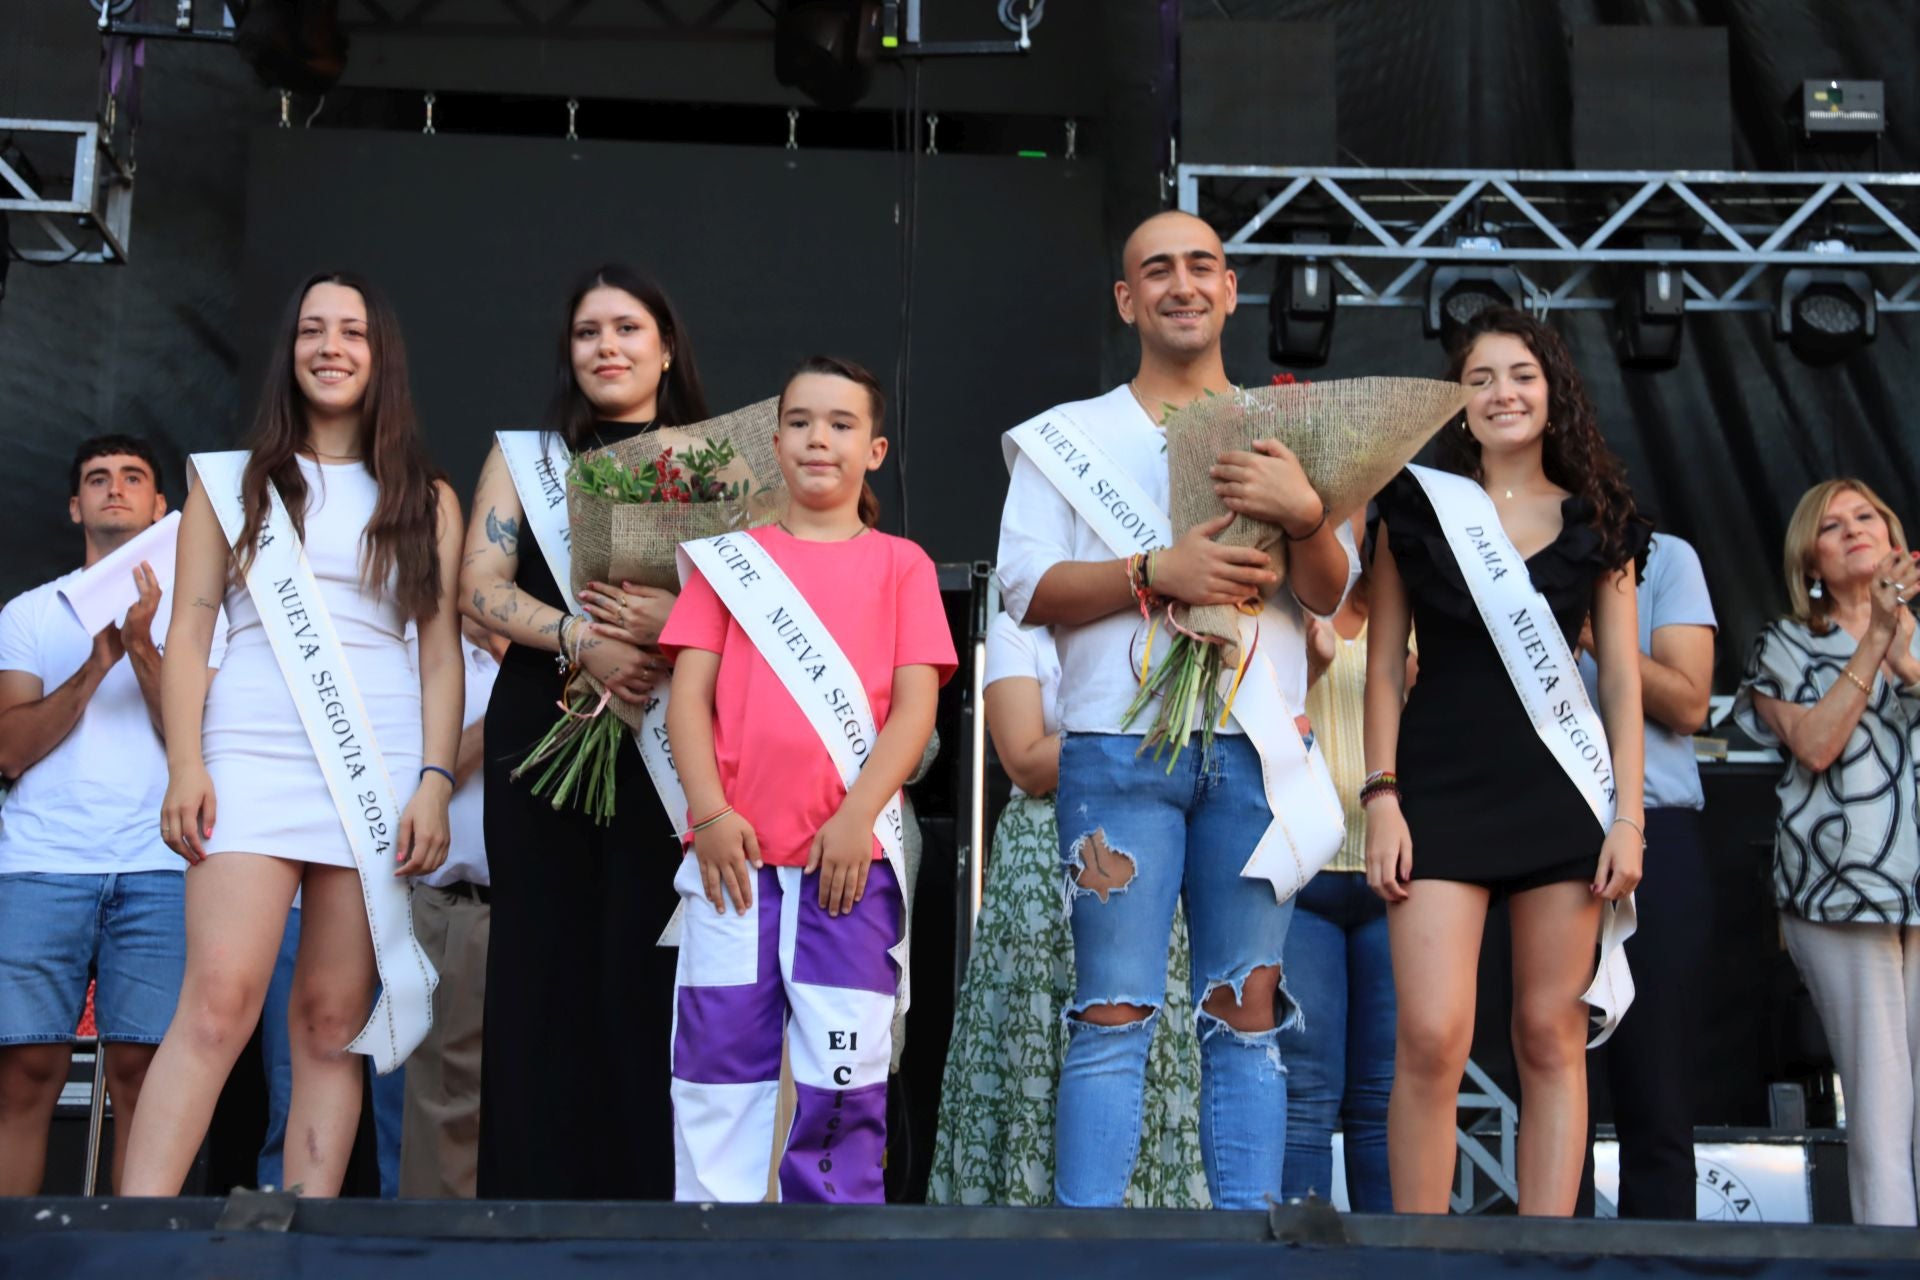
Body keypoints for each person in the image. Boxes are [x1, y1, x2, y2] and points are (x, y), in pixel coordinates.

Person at [995, 210, 1358, 1209]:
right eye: (1158, 270)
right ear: (1128, 299)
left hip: (1254, 753)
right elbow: (1025, 588)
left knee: (1247, 1016)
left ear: (1232, 289)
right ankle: (1092, 1255)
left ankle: (1241, 1251)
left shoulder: (1289, 434)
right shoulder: (1064, 438)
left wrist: (1307, 513)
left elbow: (1332, 594)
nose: (1182, 283)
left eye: (1202, 266)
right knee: (1111, 1012)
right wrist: (1157, 570)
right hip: (1117, 751)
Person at [121, 271, 464, 1197]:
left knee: (329, 1019)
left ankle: (301, 1230)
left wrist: (434, 779)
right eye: (313, 330)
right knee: (218, 1003)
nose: (331, 347)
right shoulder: (228, 484)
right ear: (289, 351)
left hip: (376, 764)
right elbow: (190, 625)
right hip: (250, 751)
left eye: (352, 331)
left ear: (379, 353)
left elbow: (440, 656)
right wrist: (184, 762)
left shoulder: (425, 496)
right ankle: (132, 1231)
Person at [1365, 306, 1648, 1216]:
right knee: (1433, 1036)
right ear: (1458, 401)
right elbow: (1380, 670)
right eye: (1481, 379)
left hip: (1561, 798)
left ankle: (1547, 1254)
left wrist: (1629, 818)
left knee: (1548, 1035)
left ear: (1553, 389)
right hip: (1438, 792)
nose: (1503, 394)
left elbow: (1622, 690)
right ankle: (1419, 1254)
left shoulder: (1600, 517)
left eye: (1521, 374)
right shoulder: (1412, 505)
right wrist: (1381, 797)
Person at [661, 355, 955, 1203]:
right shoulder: (728, 564)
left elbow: (915, 708)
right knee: (719, 1074)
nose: (817, 439)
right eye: (798, 422)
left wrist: (860, 815)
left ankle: (836, 1254)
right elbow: (689, 701)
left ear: (876, 450)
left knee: (842, 1082)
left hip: (849, 865)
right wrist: (708, 813)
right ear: (774, 438)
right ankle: (710, 1251)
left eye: (841, 424)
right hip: (733, 867)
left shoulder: (902, 565)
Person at [460, 264, 706, 1200]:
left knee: (644, 966)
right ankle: (528, 1205)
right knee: (541, 966)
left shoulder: (711, 459)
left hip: (664, 731)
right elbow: (477, 585)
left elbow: (751, 604)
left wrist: (664, 631)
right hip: (544, 719)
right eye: (587, 333)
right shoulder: (525, 456)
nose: (607, 347)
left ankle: (648, 1206)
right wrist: (582, 639)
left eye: (627, 328)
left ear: (665, 347)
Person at [0, 436, 221, 1194]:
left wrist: (143, 647)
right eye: (97, 479)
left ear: (163, 507)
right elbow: (8, 750)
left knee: (146, 1076)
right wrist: (97, 663)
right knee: (24, 1072)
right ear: (74, 506)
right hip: (39, 864)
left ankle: (136, 1263)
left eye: (134, 479)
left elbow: (201, 742)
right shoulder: (30, 614)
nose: (115, 490)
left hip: (161, 862)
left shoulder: (203, 619)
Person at [929, 612, 1208, 1208]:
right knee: (1031, 1046)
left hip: (1144, 854)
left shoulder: (1170, 620)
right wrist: (1128, 733)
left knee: (1139, 1045)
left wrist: (1114, 739)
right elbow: (1026, 761)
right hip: (1041, 873)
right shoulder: (1018, 630)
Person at [1734, 478, 1920, 1227]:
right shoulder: (1783, 643)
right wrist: (1875, 638)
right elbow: (1813, 745)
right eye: (1831, 525)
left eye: (1864, 516)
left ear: (1893, 531)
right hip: (1841, 892)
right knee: (1880, 1104)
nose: (1851, 530)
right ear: (1808, 559)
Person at [1576, 531, 1716, 1219]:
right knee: (1551, 1076)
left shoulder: (1666, 556)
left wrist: (1596, 628)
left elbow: (1692, 705)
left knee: (1656, 1088)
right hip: (1540, 835)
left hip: (1654, 827)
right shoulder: (1493, 550)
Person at [1280, 513, 1399, 1212]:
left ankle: (1398, 1265)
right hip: (1306, 869)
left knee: (1384, 1096)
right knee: (1305, 1087)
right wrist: (1312, 661)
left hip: (1394, 876)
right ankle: (1297, 1261)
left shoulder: (1414, 620)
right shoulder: (1291, 603)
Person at [400, 620, 506, 1198]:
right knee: (447, 1106)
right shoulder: (416, 651)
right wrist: (522, 695)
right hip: (458, 905)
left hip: (553, 908)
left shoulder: (565, 643)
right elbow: (422, 774)